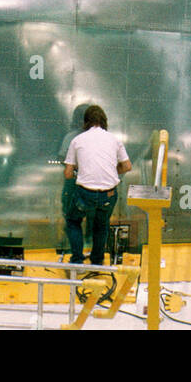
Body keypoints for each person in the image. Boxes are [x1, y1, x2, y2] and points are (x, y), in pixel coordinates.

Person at [64, 105, 131, 267]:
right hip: (108, 194)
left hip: (85, 193)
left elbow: (67, 173)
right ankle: (97, 260)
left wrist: (79, 173)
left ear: (85, 122)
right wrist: (112, 171)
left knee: (73, 222)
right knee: (101, 225)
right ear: (104, 121)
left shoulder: (77, 140)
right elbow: (127, 166)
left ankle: (78, 262)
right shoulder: (114, 139)